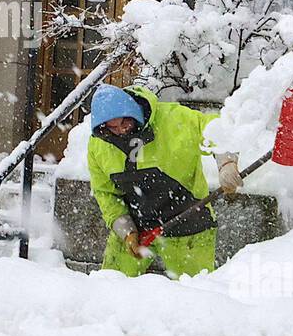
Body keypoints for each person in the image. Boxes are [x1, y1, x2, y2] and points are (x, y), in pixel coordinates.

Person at [86, 83, 242, 278]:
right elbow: (105, 193)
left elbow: (215, 128)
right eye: (113, 128)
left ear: (134, 112)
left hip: (189, 224)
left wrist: (226, 162)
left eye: (125, 123)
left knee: (193, 296)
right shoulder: (99, 146)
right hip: (138, 228)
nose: (122, 131)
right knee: (111, 286)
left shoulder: (174, 120)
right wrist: (127, 231)